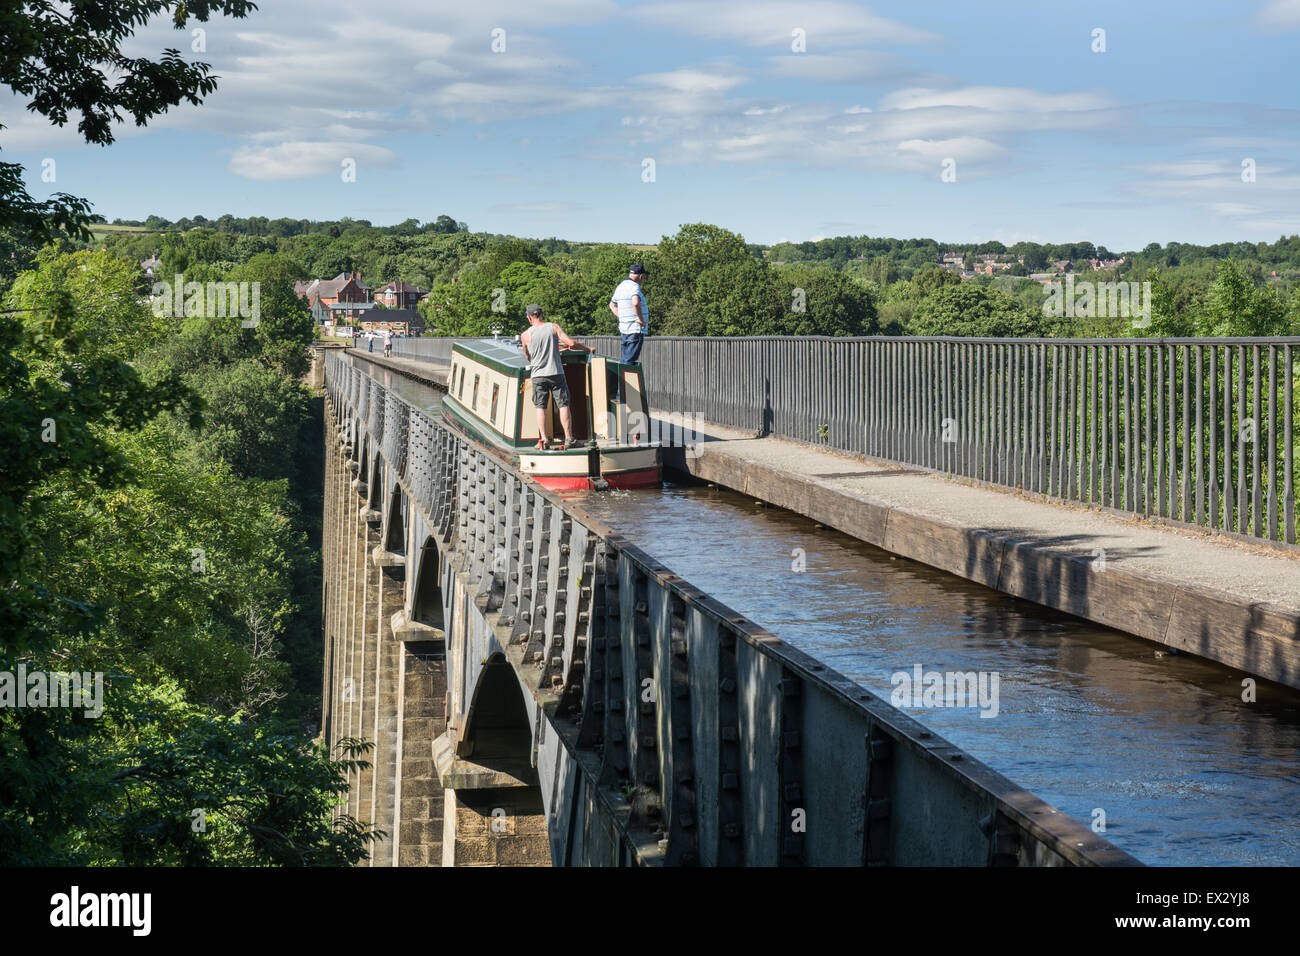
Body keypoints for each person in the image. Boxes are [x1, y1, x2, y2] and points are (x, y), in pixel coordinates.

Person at [519, 304, 593, 450]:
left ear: (529, 317)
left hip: (538, 375)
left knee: (540, 407)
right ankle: (569, 439)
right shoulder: (553, 327)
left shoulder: (525, 335)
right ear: (541, 315)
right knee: (563, 405)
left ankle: (544, 440)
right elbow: (571, 343)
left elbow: (528, 356)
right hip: (556, 372)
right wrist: (588, 349)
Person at [609, 263, 648, 364]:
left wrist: (622, 317)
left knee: (625, 359)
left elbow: (612, 306)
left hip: (624, 329)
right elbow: (635, 303)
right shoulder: (634, 287)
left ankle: (621, 379)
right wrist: (641, 320)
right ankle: (622, 380)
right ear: (641, 276)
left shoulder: (620, 286)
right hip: (634, 329)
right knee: (628, 362)